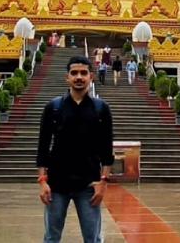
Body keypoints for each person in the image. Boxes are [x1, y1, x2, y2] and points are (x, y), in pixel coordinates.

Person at [37, 56, 114, 243]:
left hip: (89, 185)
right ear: (67, 78)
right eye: (74, 73)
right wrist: (43, 181)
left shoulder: (101, 109)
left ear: (91, 77)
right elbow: (43, 146)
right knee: (51, 237)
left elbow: (107, 149)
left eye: (83, 73)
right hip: (56, 184)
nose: (79, 77)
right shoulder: (53, 108)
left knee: (93, 238)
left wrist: (103, 183)